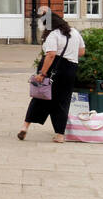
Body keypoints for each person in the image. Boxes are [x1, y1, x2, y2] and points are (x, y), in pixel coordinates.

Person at [21, 11, 85, 142]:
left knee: (40, 97)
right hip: (70, 69)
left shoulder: (53, 34)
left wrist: (42, 73)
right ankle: (60, 135)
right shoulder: (74, 32)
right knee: (62, 102)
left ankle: (25, 127)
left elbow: (51, 55)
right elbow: (81, 52)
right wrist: (70, 53)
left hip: (54, 68)